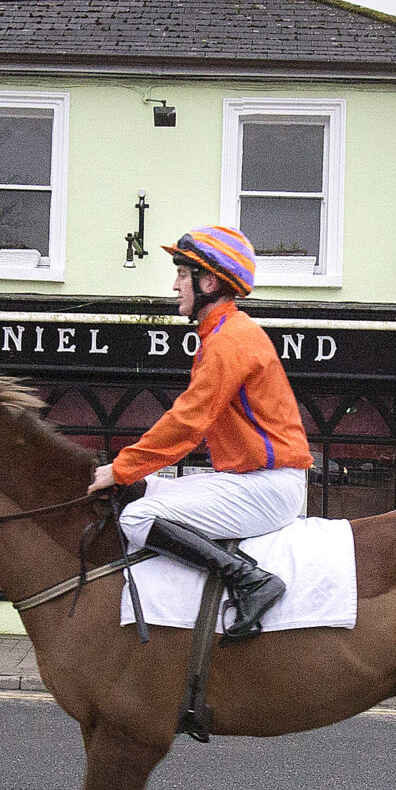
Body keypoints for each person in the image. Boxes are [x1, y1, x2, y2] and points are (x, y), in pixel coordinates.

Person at [87, 225, 312, 640]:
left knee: (137, 516)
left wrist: (121, 469)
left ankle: (251, 580)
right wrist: (135, 473)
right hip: (254, 480)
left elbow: (187, 423)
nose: (174, 285)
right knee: (149, 491)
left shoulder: (230, 341)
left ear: (207, 281)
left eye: (181, 274)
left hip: (266, 487)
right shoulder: (224, 335)